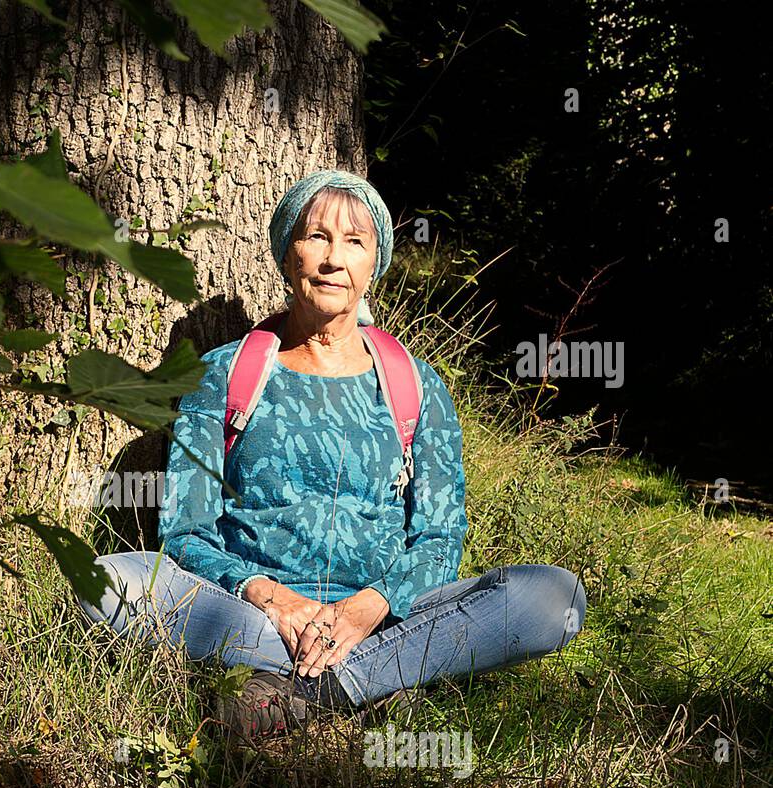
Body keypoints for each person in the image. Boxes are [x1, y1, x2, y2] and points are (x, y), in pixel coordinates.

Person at [76, 169, 586, 741]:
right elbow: (186, 533)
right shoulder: (224, 374)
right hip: (255, 614)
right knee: (106, 582)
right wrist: (272, 599)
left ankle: (309, 690)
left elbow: (440, 539)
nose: (332, 259)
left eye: (354, 241)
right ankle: (367, 682)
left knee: (554, 598)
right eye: (316, 236)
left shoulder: (418, 387)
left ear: (375, 263)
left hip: (385, 617)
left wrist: (371, 607)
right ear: (286, 252)